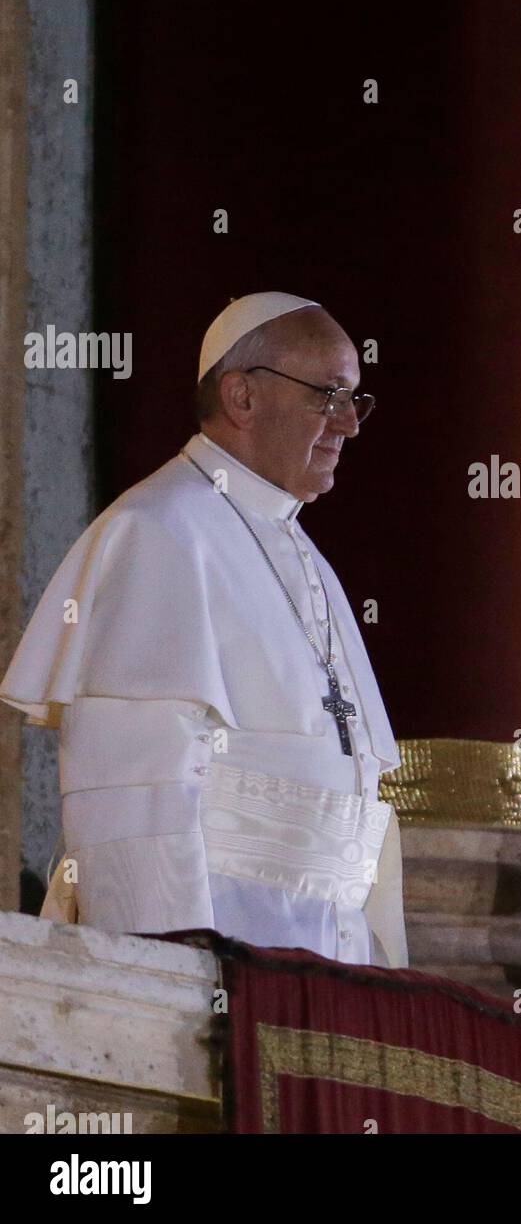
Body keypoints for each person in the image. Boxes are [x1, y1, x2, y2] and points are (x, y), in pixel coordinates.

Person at [1, 291, 407, 968]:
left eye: (353, 400)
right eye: (328, 395)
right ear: (241, 396)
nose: (348, 425)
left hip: (330, 962)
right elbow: (131, 801)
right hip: (226, 961)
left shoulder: (305, 556)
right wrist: (167, 974)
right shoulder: (159, 532)